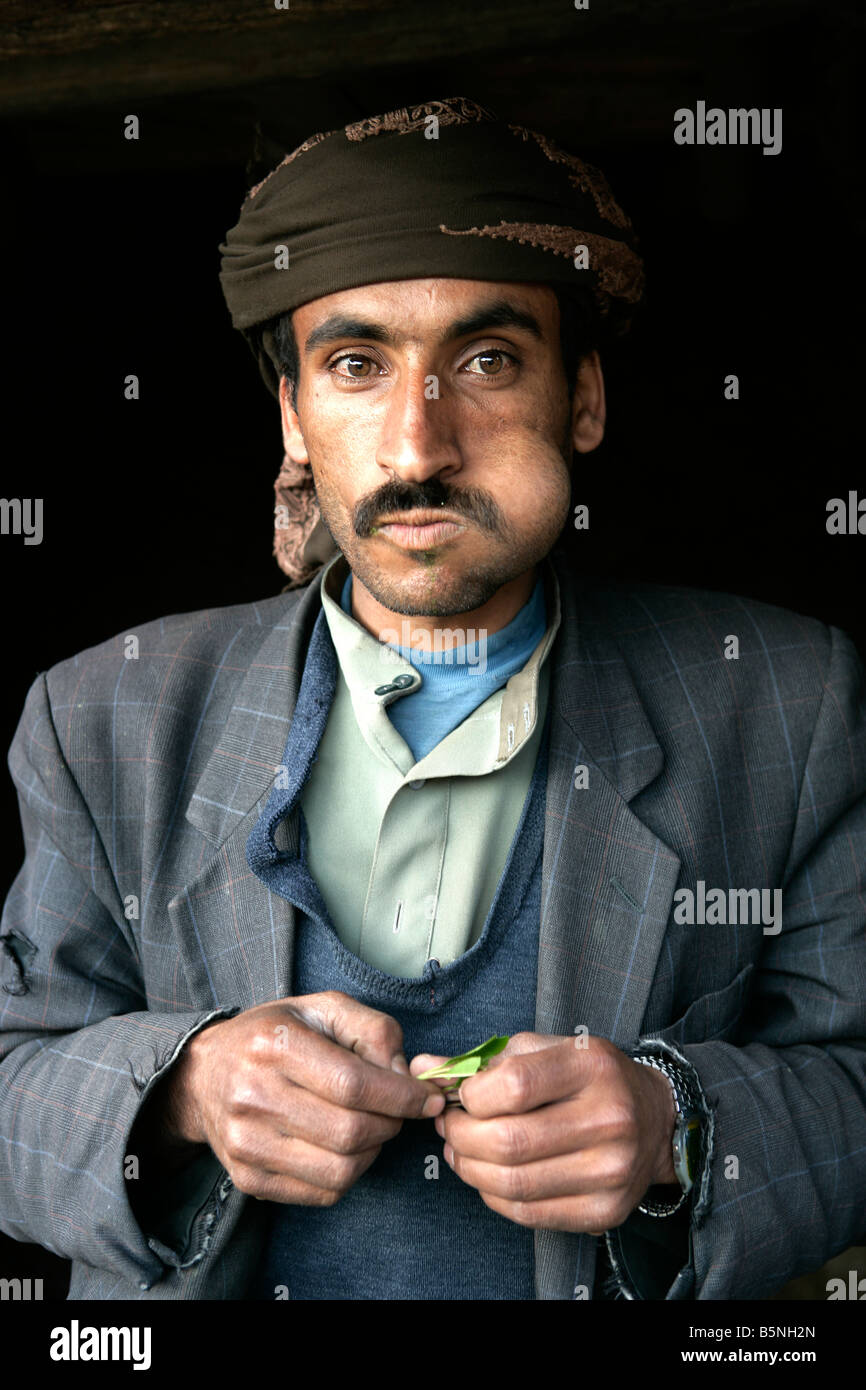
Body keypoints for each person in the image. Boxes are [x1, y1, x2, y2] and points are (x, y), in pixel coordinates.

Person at [1, 96, 864, 1302]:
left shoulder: (786, 701)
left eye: (487, 360)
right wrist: (185, 1086)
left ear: (584, 398)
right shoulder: (101, 718)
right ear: (294, 418)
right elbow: (11, 1082)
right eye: (356, 366)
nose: (419, 444)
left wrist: (678, 1123)